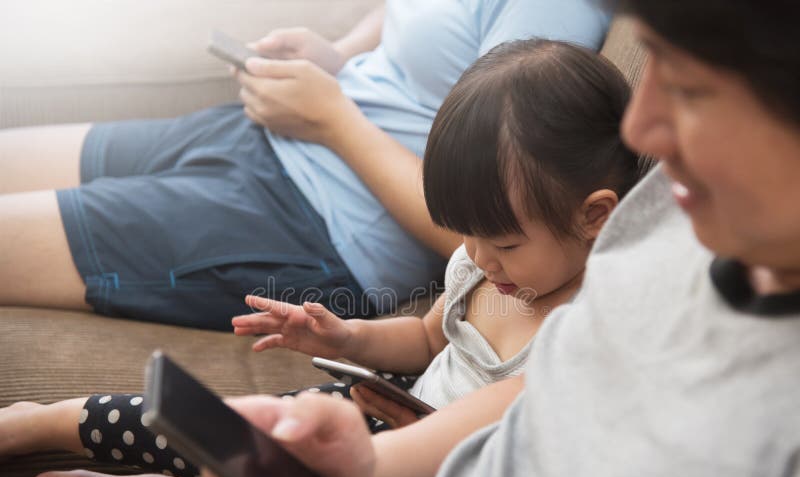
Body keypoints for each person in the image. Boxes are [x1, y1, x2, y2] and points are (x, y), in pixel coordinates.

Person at [0, 39, 640, 477]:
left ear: (596, 217)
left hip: (416, 471)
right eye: (466, 236)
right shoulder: (489, 269)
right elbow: (425, 335)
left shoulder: (576, 335)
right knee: (222, 427)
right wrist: (345, 335)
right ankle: (44, 420)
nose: (475, 257)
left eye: (502, 244)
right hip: (379, 403)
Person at [0, 0, 610, 330]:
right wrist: (338, 57)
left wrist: (333, 119)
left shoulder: (553, 21)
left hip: (312, 227)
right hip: (265, 136)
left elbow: (486, 223)